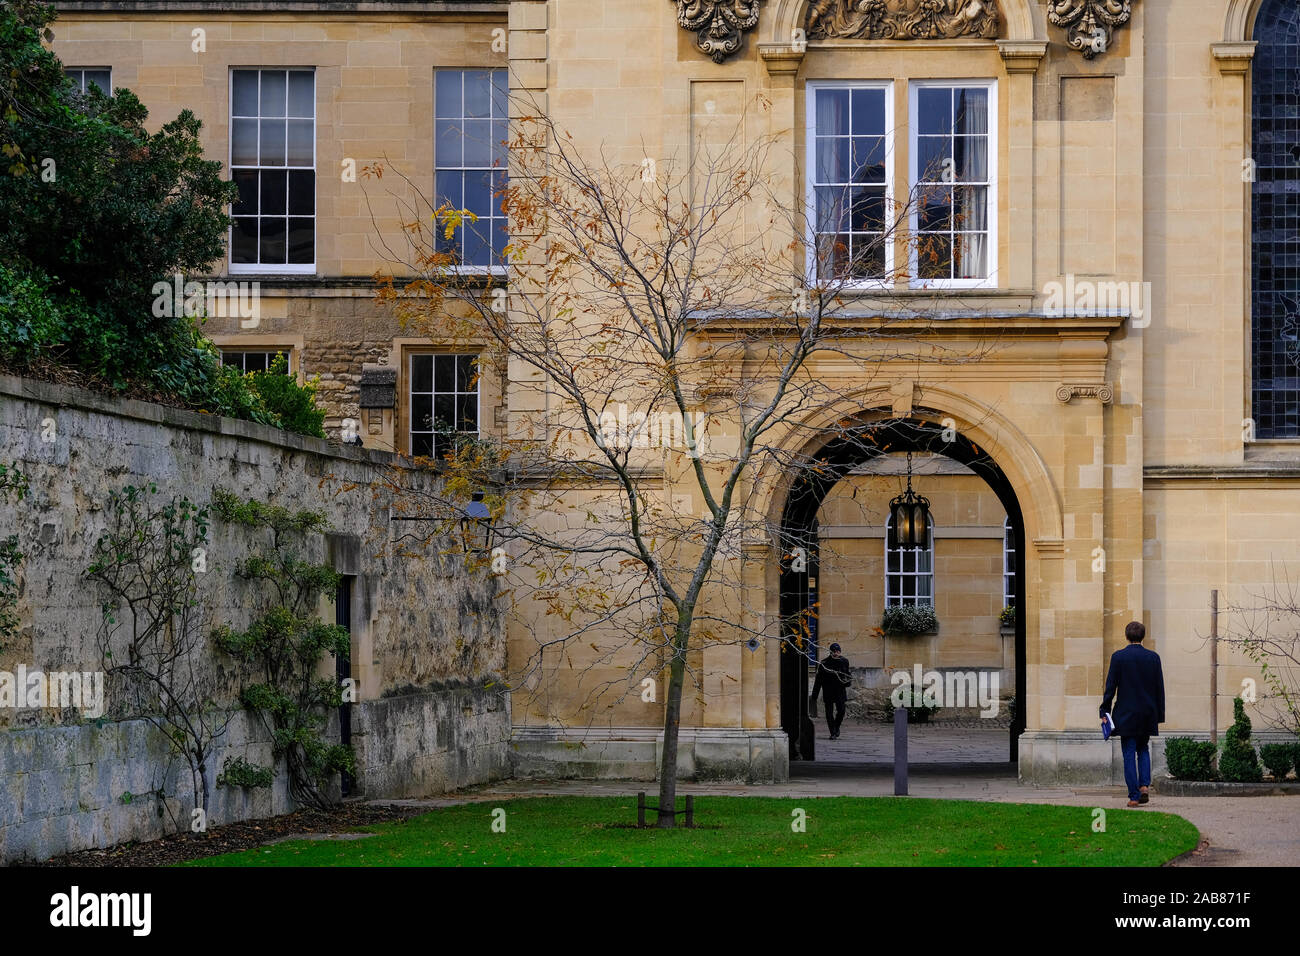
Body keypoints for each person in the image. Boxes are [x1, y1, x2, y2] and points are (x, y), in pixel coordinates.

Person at [1100, 621, 1166, 807]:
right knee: (1143, 749)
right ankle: (1144, 785)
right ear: (1142, 636)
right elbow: (1159, 689)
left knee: (1129, 753)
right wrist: (1159, 714)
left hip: (1126, 712)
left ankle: (1134, 795)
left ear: (1126, 636)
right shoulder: (1153, 658)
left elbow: (1110, 687)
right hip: (1147, 712)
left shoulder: (1119, 657)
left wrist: (1104, 709)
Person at [810, 642, 852, 740]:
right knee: (829, 713)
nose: (836, 653)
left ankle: (836, 726)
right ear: (831, 652)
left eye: (838, 651)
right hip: (828, 691)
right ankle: (832, 732)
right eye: (834, 651)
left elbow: (847, 674)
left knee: (841, 710)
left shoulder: (844, 661)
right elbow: (818, 680)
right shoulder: (824, 663)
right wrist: (814, 695)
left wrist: (847, 682)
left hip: (840, 690)